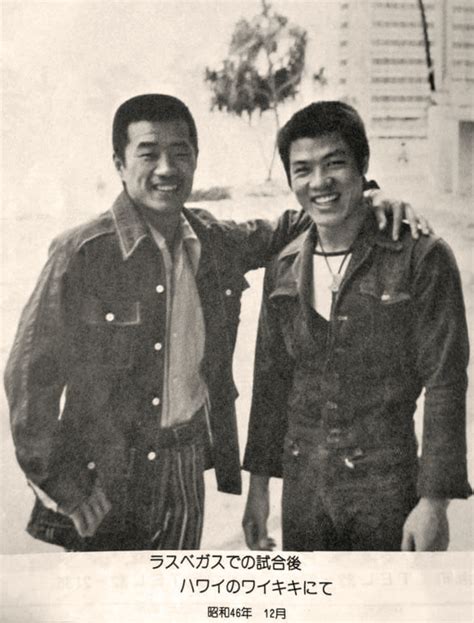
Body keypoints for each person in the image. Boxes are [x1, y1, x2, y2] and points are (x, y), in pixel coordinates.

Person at [5, 94, 428, 551]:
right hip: (106, 475)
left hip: (186, 466)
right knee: (112, 594)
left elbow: (296, 222)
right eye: (148, 154)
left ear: (195, 158)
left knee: (177, 590)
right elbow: (28, 374)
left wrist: (368, 195)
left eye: (180, 152)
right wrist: (59, 480)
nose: (167, 168)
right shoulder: (82, 253)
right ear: (119, 164)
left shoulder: (213, 240)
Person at [242, 101, 471, 552]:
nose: (319, 182)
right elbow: (271, 382)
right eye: (302, 169)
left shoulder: (421, 256)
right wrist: (259, 489)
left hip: (386, 489)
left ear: (363, 165)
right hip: (304, 493)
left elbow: (445, 382)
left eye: (335, 164)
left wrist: (434, 503)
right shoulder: (284, 264)